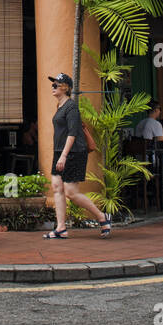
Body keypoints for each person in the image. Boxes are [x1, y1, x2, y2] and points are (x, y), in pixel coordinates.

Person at [40, 72, 109, 239]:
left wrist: (63, 156)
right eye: (53, 84)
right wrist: (59, 154)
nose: (53, 87)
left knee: (71, 192)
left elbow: (72, 134)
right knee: (57, 187)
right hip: (60, 152)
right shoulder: (60, 107)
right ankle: (61, 228)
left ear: (66, 88)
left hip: (73, 153)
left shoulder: (72, 107)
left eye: (56, 84)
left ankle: (102, 217)